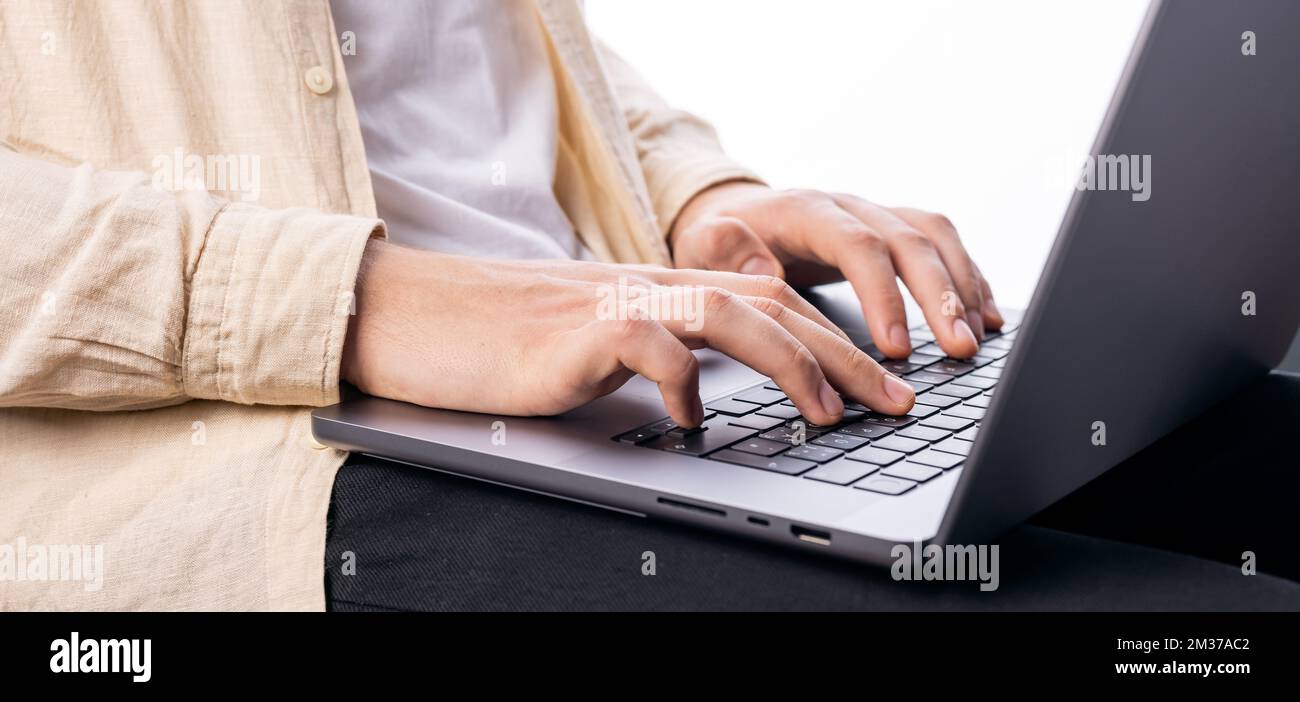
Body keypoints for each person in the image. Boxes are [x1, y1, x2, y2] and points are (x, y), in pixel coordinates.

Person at [4, 1, 1293, 611]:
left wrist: (693, 195)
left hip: (624, 338)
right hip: (266, 450)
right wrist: (360, 302)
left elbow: (458, 48)